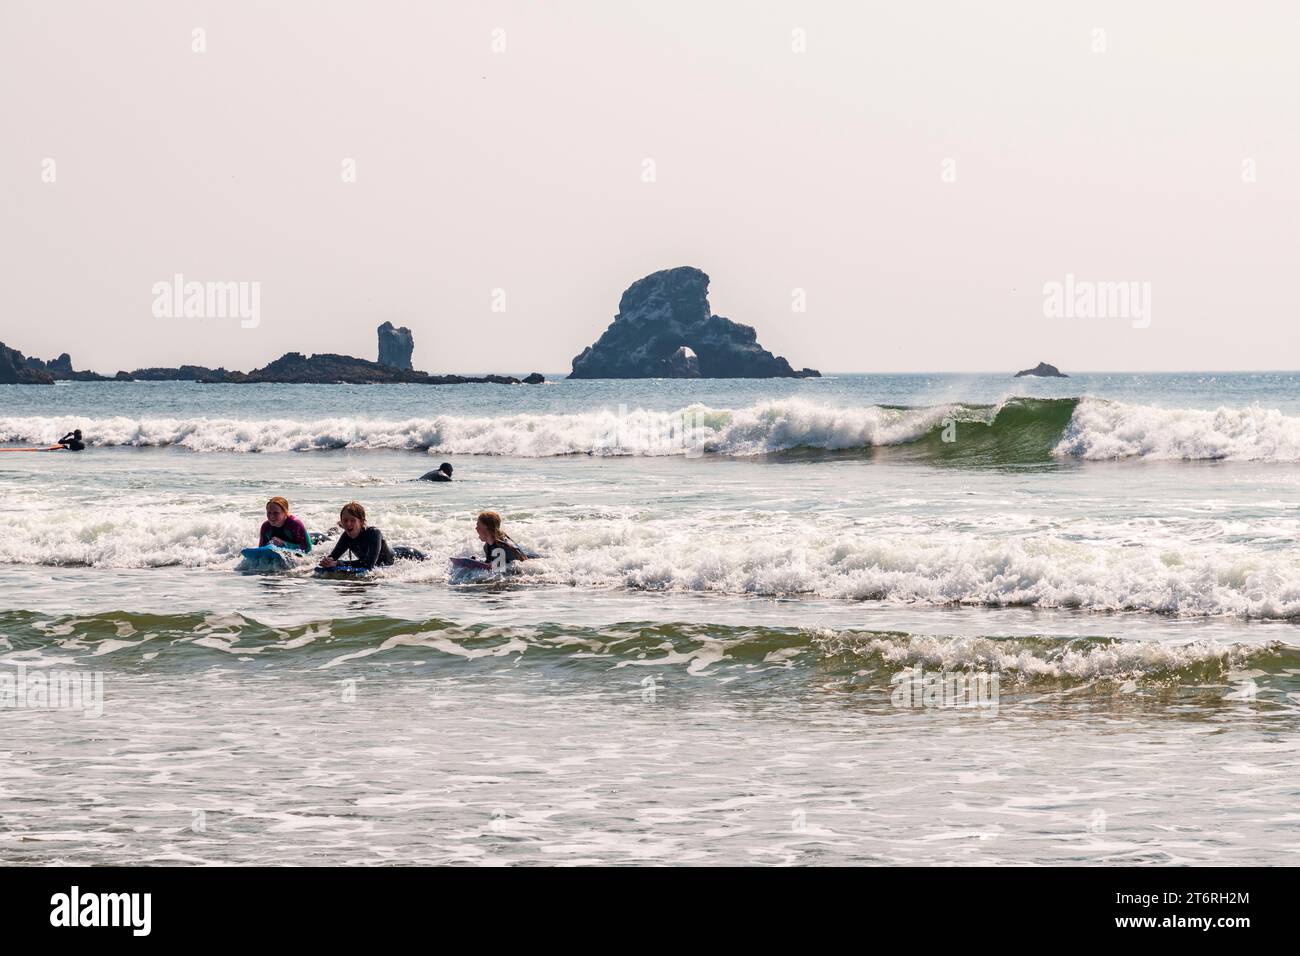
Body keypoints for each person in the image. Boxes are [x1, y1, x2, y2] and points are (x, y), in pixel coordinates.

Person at [319, 501, 396, 571]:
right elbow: (333, 557)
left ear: (361, 522)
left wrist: (338, 563)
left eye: (353, 520)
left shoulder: (373, 533)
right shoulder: (346, 536)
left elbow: (369, 565)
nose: (348, 524)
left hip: (400, 558)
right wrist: (327, 562)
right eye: (345, 520)